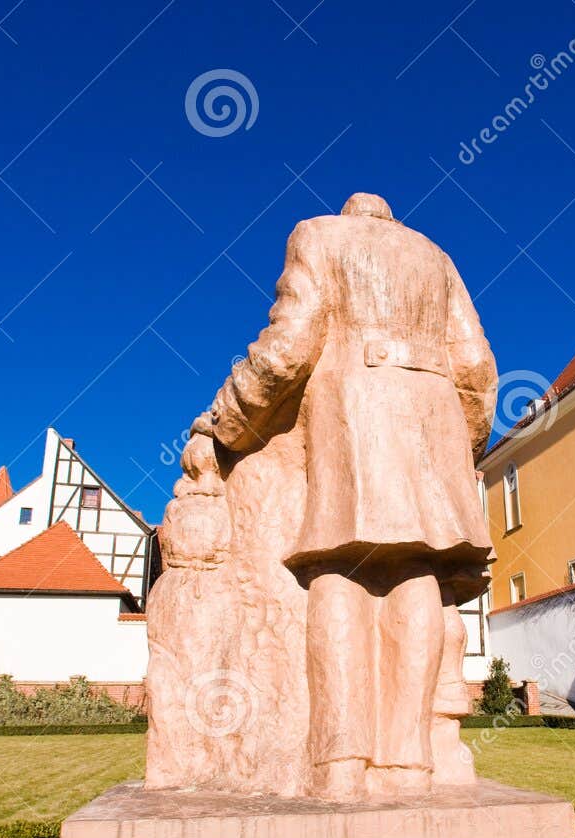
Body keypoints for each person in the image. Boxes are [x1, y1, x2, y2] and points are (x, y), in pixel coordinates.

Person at [196, 192, 496, 800]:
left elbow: (287, 349)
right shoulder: (435, 256)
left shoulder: (318, 234)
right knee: (415, 568)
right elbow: (475, 367)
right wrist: (456, 445)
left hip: (356, 409)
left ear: (350, 212)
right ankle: (409, 764)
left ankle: (339, 762)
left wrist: (224, 422)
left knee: (338, 568)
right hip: (432, 415)